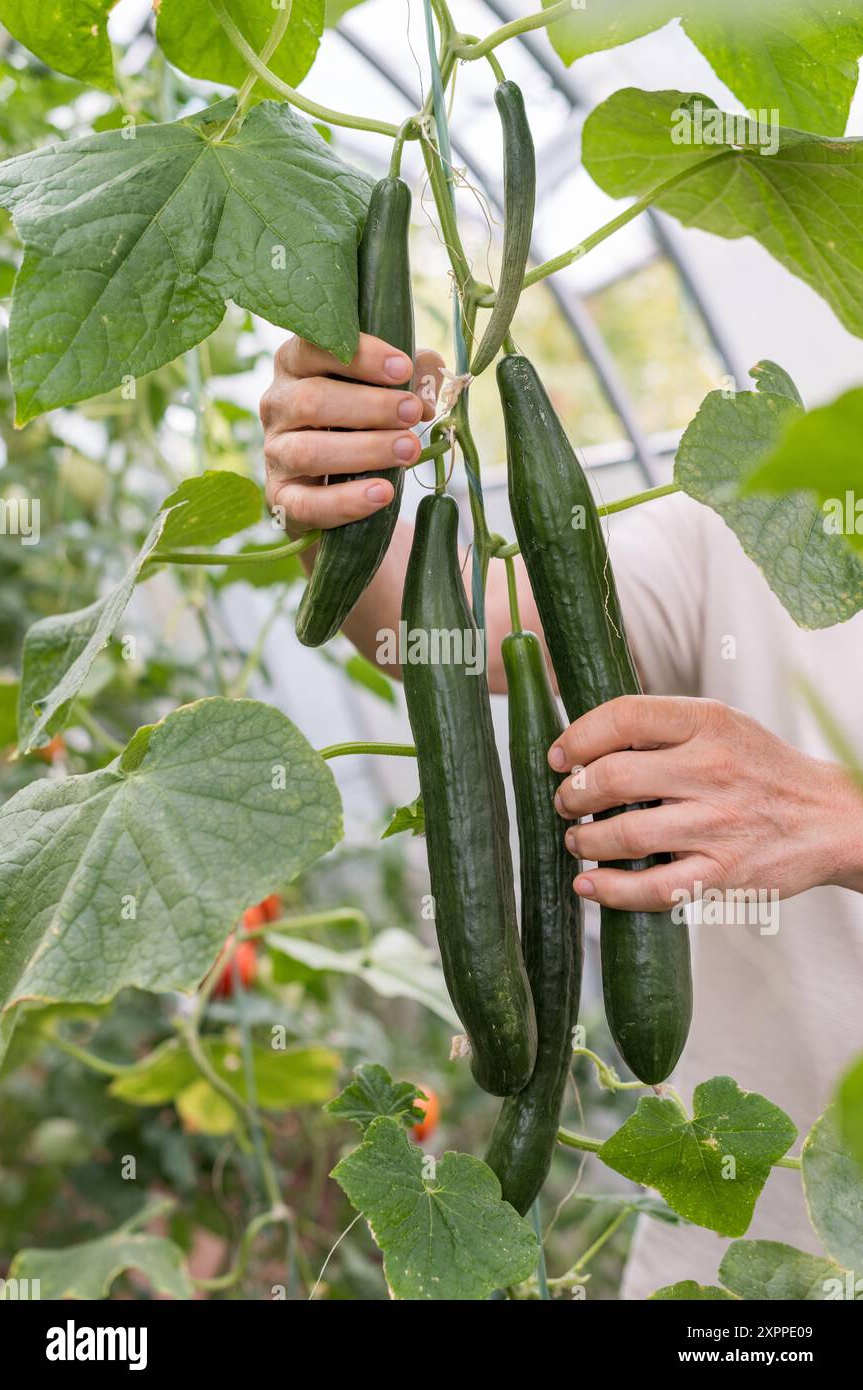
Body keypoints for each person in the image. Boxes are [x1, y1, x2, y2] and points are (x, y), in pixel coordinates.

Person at [261, 333, 863, 1298]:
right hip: (729, 1276)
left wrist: (844, 819)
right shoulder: (778, 488)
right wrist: (342, 488)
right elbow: (453, 632)